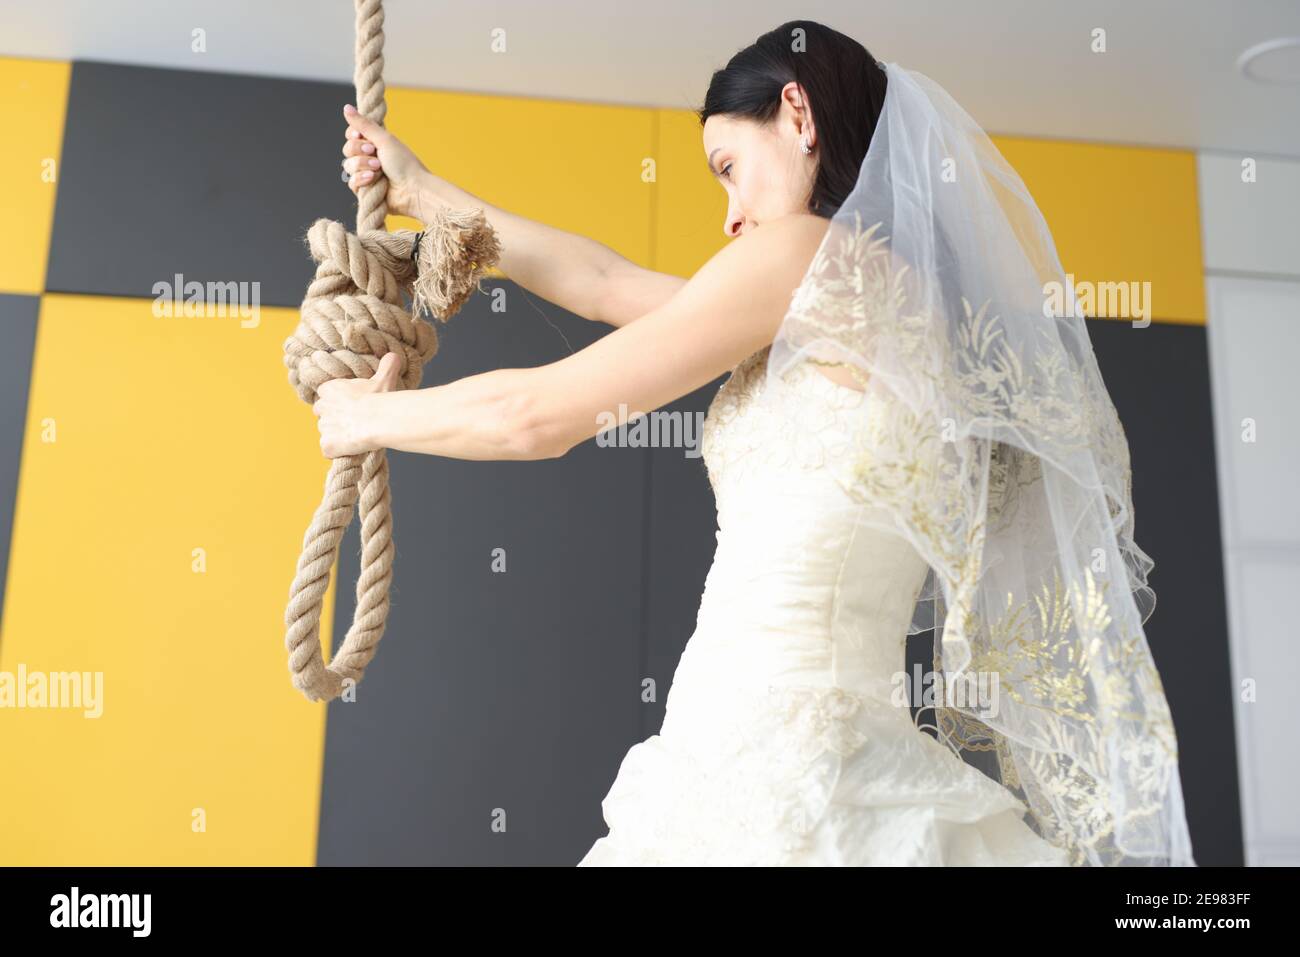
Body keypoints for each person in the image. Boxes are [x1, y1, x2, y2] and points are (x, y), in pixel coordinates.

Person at [323, 19, 1195, 866]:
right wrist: (425, 193)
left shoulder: (808, 256)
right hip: (835, 763)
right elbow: (604, 283)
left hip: (766, 762)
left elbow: (537, 415)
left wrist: (363, 419)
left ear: (800, 116)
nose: (731, 216)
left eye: (731, 169)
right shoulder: (879, 308)